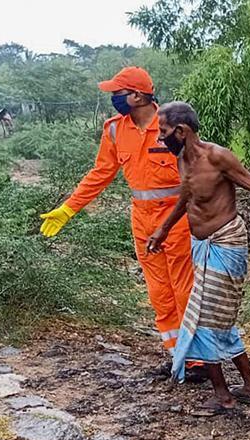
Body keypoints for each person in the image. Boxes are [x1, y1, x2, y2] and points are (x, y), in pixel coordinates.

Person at [39, 67, 194, 356]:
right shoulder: (114, 129)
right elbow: (100, 174)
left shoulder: (172, 125)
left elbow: (197, 173)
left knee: (184, 289)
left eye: (117, 92)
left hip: (177, 220)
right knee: (159, 294)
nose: (113, 97)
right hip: (142, 219)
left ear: (137, 96)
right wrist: (68, 209)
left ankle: (196, 359)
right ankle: (177, 357)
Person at [145, 102, 250, 414]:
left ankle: (223, 396)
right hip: (201, 245)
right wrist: (163, 230)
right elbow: (188, 195)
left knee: (204, 319)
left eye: (163, 132)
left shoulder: (217, 156)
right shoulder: (182, 158)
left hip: (227, 243)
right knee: (219, 318)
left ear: (181, 131)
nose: (159, 139)